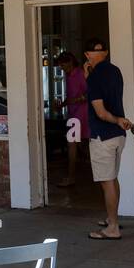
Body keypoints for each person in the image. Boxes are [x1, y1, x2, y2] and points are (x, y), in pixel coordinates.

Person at [83, 37, 132, 240]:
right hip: (118, 136)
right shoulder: (114, 71)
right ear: (106, 53)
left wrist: (117, 120)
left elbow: (101, 113)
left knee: (106, 181)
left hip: (103, 135)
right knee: (112, 178)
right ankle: (113, 219)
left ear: (87, 55)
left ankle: (112, 227)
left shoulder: (95, 78)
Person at [50, 51, 89, 187]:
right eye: (60, 66)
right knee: (78, 144)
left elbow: (89, 93)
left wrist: (76, 99)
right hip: (73, 113)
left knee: (73, 144)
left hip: (82, 113)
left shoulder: (79, 74)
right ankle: (76, 175)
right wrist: (62, 105)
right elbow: (71, 96)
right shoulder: (68, 75)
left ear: (71, 62)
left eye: (64, 65)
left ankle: (71, 177)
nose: (62, 68)